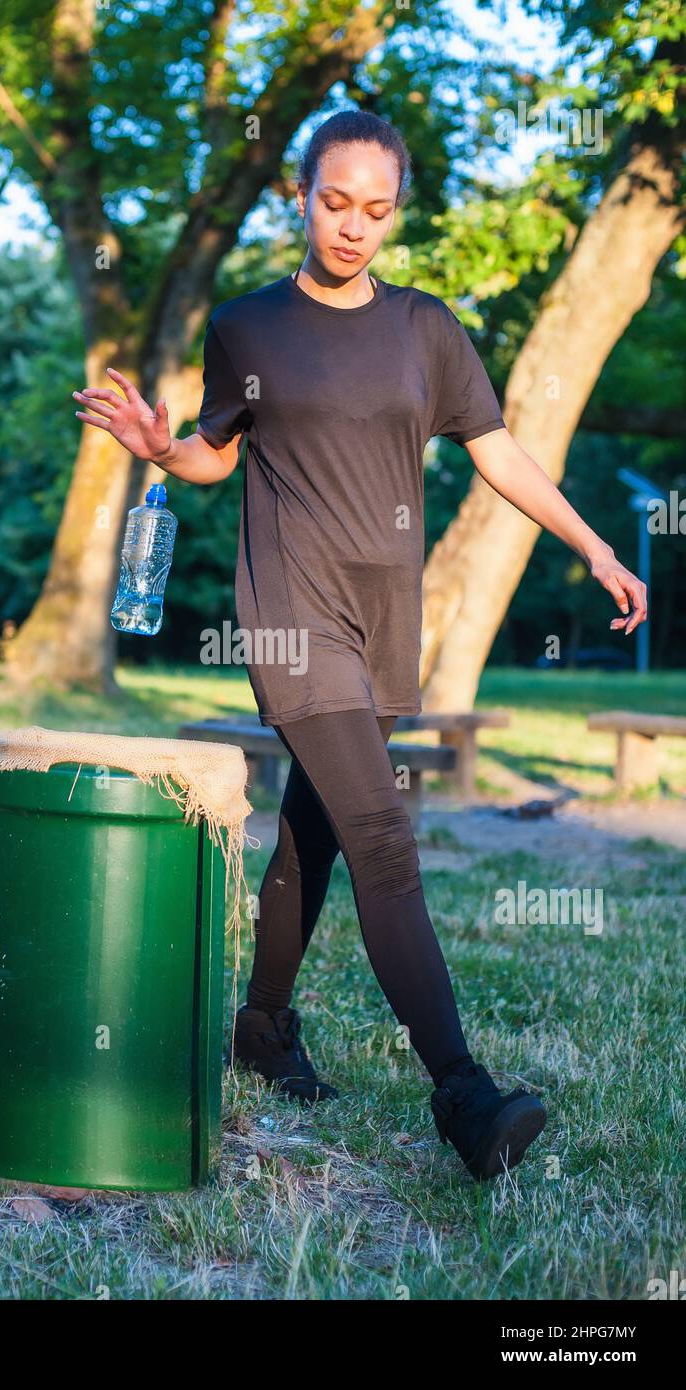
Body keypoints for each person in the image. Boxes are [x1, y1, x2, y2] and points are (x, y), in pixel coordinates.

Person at [72, 111, 647, 1182]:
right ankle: (464, 1095)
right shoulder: (250, 327)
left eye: (377, 210)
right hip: (293, 614)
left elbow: (500, 452)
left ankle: (261, 1026)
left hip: (386, 619)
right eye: (335, 202)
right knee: (382, 831)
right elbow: (213, 452)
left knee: (314, 838)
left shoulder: (427, 330)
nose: (354, 227)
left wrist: (599, 545)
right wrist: (161, 447)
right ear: (301, 194)